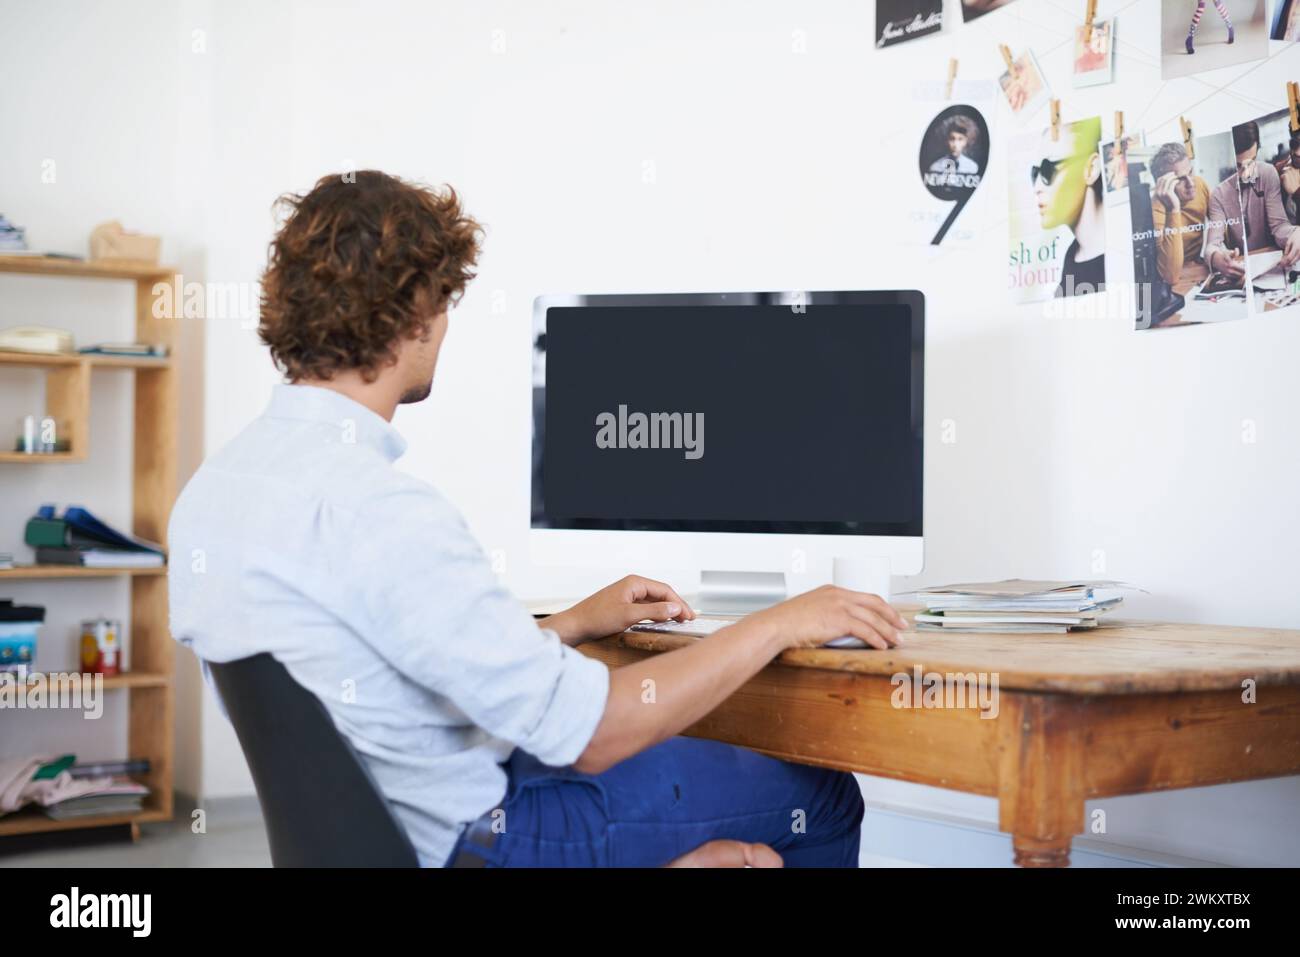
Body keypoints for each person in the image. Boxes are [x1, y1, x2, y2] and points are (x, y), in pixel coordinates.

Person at [168, 171, 904, 868]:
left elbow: (385, 667)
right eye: (444, 301)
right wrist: (779, 622)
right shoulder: (381, 509)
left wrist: (572, 624)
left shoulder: (214, 493)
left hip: (390, 826)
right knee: (821, 793)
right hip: (481, 840)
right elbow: (595, 734)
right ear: (414, 317)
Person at [1204, 121, 1300, 282]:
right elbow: (1212, 245)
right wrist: (1215, 257)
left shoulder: (1268, 174)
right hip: (1243, 272)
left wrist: (1296, 232)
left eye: (1252, 161)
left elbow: (1279, 226)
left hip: (1274, 270)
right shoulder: (1218, 195)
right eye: (1239, 166)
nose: (1246, 173)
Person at [1031, 116, 1105, 297]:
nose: (1037, 187)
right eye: (1035, 173)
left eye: (1048, 170)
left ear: (1091, 169)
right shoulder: (1071, 262)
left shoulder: (1125, 255)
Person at [1148, 141, 1214, 285]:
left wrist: (1218, 252)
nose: (1191, 183)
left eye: (1190, 172)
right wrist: (1174, 209)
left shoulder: (1199, 184)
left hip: (1196, 268)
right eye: (1179, 179)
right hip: (1171, 278)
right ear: (1163, 184)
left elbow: (1221, 228)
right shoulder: (1156, 207)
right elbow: (1169, 276)